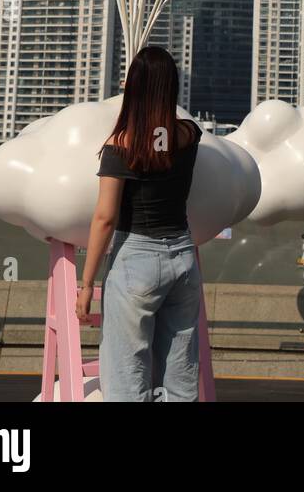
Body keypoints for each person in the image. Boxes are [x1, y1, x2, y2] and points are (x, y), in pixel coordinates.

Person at [75, 45, 203, 402]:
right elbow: (170, 136)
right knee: (180, 375)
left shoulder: (121, 145)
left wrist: (86, 285)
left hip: (137, 261)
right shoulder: (188, 135)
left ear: (133, 87)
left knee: (127, 375)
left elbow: (104, 218)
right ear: (172, 88)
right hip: (183, 255)